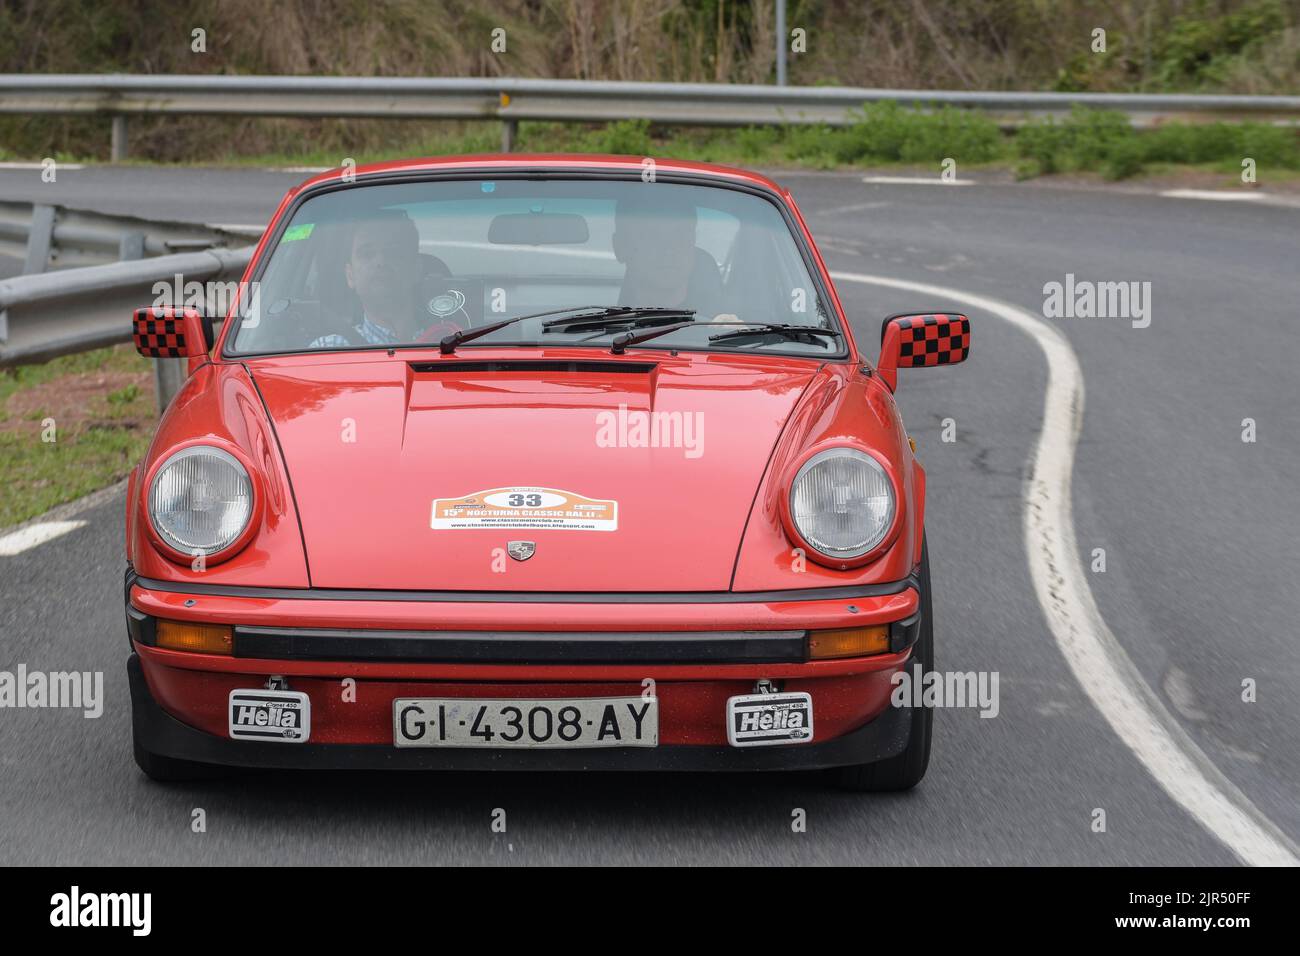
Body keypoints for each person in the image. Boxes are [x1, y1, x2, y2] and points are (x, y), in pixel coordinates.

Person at [309, 208, 458, 349]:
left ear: (416, 269)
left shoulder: (453, 342)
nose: (380, 262)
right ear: (350, 275)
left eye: (393, 252)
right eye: (367, 254)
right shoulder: (327, 349)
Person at [611, 192, 732, 321]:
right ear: (620, 247)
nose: (668, 250)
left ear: (693, 241)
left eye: (680, 236)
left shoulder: (729, 332)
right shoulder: (598, 334)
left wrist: (736, 336)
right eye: (652, 236)